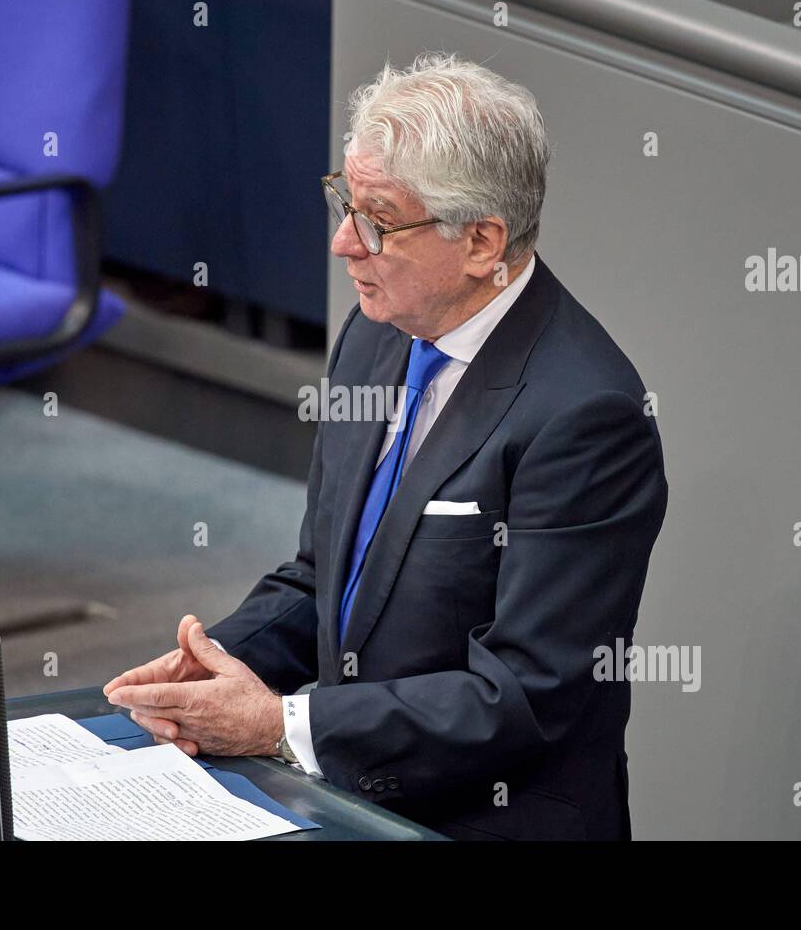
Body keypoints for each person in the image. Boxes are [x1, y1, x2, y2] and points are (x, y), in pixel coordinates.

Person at [104, 52, 668, 840]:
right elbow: (323, 579)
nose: (344, 242)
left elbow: (523, 694)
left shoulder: (586, 417)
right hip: (352, 794)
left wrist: (278, 725)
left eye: (379, 219)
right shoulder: (377, 335)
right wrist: (221, 662)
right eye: (344, 201)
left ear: (482, 242)